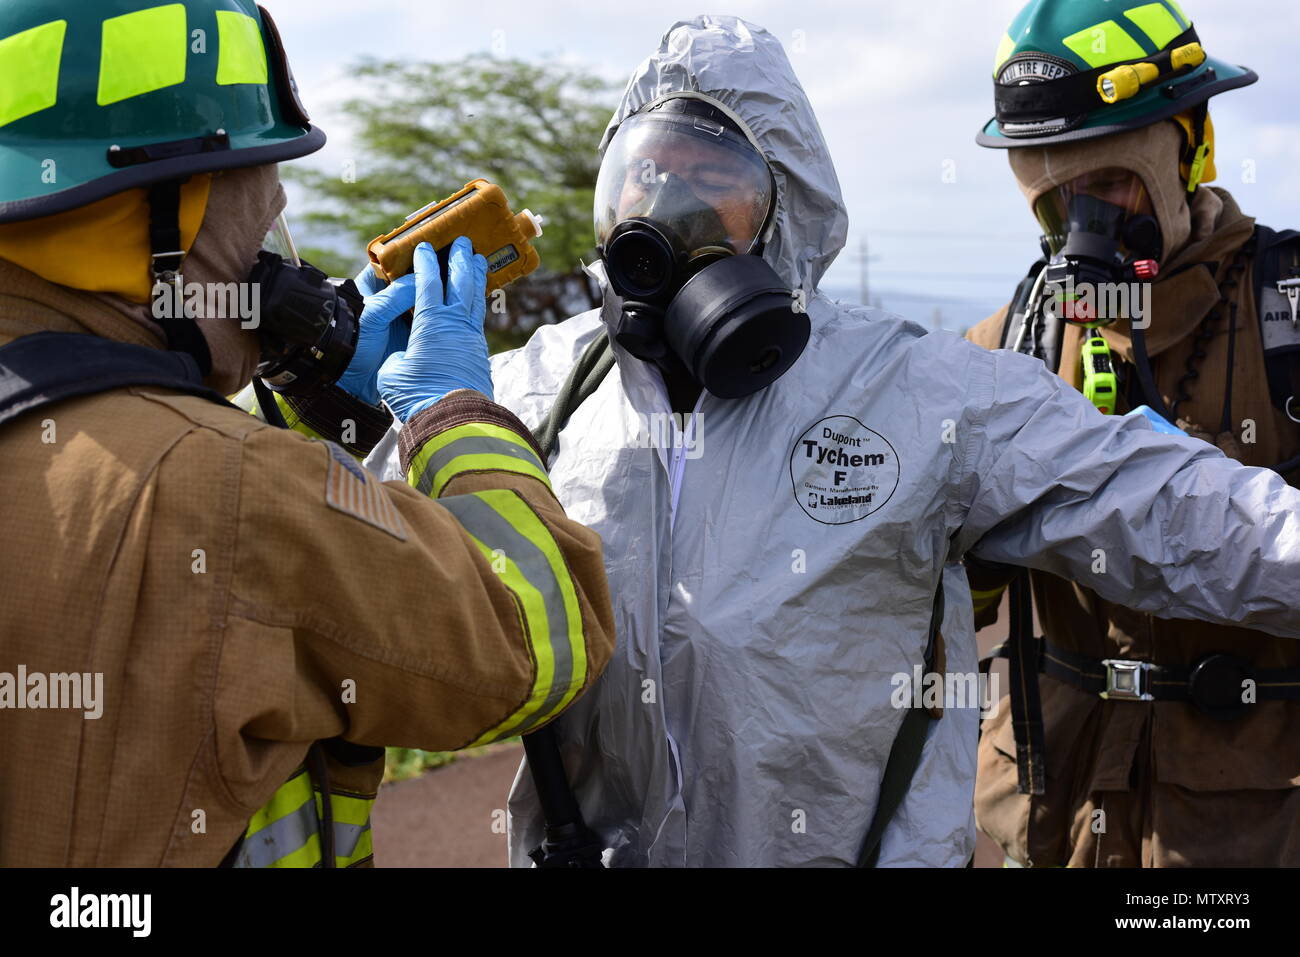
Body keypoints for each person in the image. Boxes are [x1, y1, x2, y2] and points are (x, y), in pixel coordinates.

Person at [365, 15, 1300, 869]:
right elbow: (343, 580)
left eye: (710, 180)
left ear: (786, 208)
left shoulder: (918, 391)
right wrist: (322, 399)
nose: (663, 207)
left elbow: (1175, 508)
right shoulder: (537, 391)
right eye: (644, 175)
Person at [0, 0, 613, 867]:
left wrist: (304, 395)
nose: (275, 263)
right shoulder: (227, 495)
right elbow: (535, 633)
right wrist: (450, 409)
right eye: (258, 226)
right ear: (158, 224)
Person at [967, 0, 1300, 867]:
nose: (1088, 229)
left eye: (1110, 187)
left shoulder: (1286, 319)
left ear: (1190, 147)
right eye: (1057, 204)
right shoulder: (1008, 346)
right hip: (1052, 820)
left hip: (1244, 833)